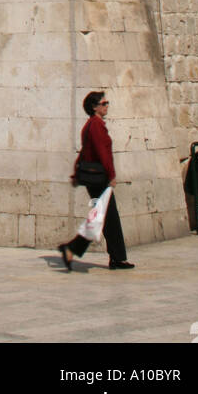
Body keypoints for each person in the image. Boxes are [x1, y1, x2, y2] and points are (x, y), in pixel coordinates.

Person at [58, 90, 134, 271]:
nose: (107, 106)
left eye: (107, 103)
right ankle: (113, 257)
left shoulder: (90, 125)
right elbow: (102, 153)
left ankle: (115, 257)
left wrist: (77, 174)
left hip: (94, 178)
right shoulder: (96, 126)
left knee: (102, 217)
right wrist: (112, 175)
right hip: (99, 179)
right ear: (94, 107)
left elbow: (85, 151)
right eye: (104, 103)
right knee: (108, 217)